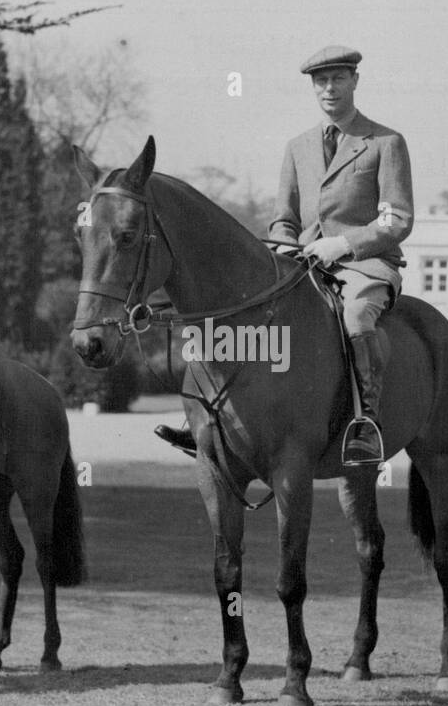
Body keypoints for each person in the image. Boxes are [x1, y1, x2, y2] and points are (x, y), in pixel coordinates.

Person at [155, 44, 414, 466]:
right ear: (313, 88)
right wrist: (279, 247)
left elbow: (396, 219)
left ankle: (366, 422)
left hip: (364, 265)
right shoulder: (299, 147)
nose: (329, 89)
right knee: (240, 312)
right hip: (304, 264)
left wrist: (344, 244)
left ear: (355, 81)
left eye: (337, 79)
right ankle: (204, 417)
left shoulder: (385, 143)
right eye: (320, 82)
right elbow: (284, 219)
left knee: (354, 316)